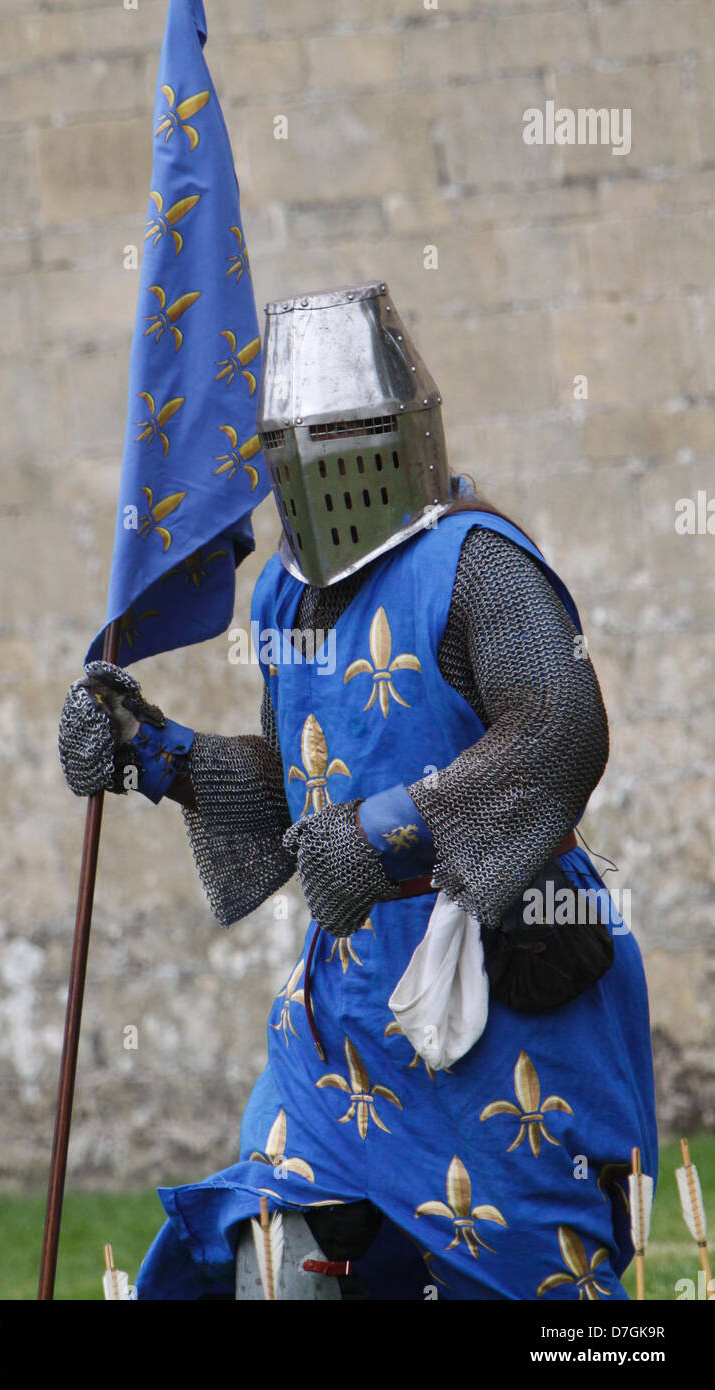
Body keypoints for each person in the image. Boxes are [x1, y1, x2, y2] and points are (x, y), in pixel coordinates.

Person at [58, 282, 657, 1300]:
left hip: (500, 989)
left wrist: (388, 833)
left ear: (403, 431)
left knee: (531, 1288)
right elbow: (299, 788)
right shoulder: (285, 592)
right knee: (273, 1252)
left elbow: (555, 735)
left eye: (350, 431)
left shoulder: (479, 562)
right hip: (343, 1021)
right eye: (301, 438)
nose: (325, 462)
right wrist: (154, 755)